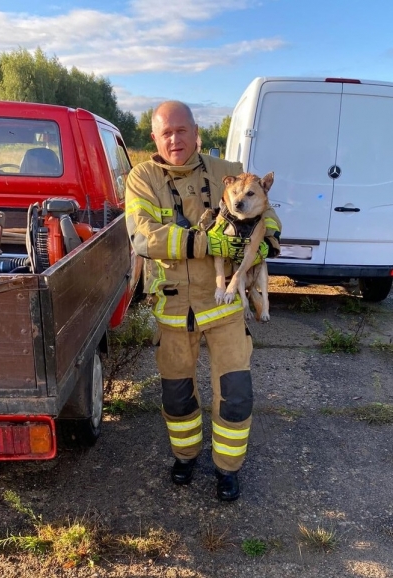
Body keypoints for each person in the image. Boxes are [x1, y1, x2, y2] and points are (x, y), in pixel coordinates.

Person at [124, 101, 281, 501]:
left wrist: (268, 242)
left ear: (197, 133)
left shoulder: (223, 170)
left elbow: (266, 209)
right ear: (154, 138)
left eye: (182, 130)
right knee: (177, 398)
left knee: (236, 394)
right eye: (166, 132)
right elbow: (142, 236)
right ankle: (186, 456)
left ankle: (228, 469)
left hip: (225, 307)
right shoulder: (141, 178)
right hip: (175, 309)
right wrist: (203, 241)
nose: (175, 139)